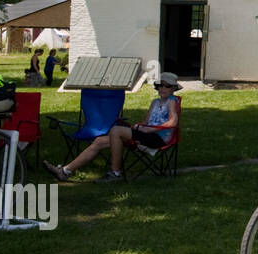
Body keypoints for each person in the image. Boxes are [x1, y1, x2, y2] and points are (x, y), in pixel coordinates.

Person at [44, 73, 182, 182]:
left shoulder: (172, 102)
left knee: (116, 130)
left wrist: (149, 129)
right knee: (98, 141)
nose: (163, 88)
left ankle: (115, 173)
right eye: (160, 85)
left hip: (158, 138)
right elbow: (147, 121)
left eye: (167, 86)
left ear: (173, 89)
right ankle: (65, 171)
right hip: (146, 134)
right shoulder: (155, 102)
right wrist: (138, 126)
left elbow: (173, 123)